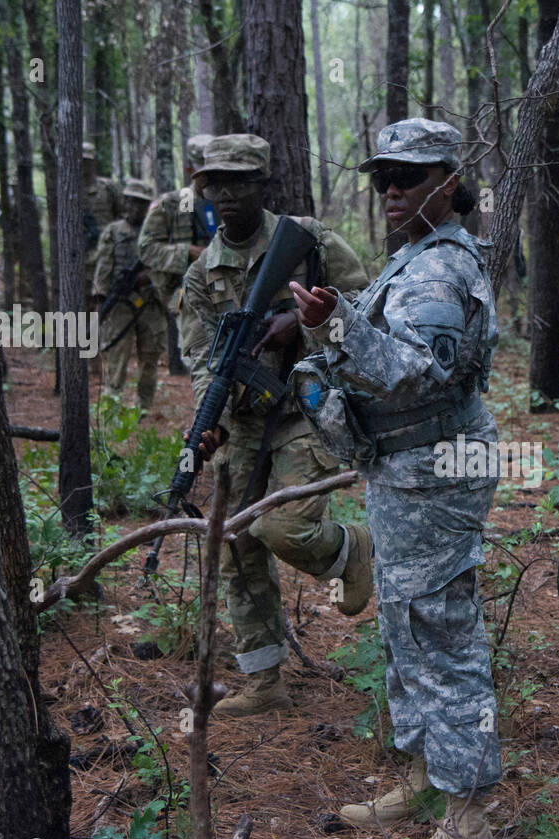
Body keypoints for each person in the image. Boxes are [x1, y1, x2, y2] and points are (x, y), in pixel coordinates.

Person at [289, 117, 500, 839]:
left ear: (448, 183)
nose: (390, 190)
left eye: (407, 177)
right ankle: (420, 777)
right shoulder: (413, 258)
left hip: (433, 469)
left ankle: (468, 816)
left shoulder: (442, 269)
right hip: (404, 467)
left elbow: (417, 373)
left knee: (439, 631)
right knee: (406, 626)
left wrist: (335, 323)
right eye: (382, 177)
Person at [180, 133, 373, 718]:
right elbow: (198, 359)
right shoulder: (200, 275)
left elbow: (365, 305)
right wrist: (205, 420)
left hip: (306, 411)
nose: (229, 195)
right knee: (236, 545)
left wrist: (303, 321)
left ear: (263, 186)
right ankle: (264, 680)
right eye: (217, 184)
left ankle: (350, 549)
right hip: (241, 424)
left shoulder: (307, 241)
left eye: (242, 183)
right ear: (204, 191)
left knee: (281, 529)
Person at [138, 133, 217, 367]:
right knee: (204, 365)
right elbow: (147, 249)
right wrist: (188, 252)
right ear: (189, 169)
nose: (212, 179)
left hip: (233, 293)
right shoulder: (173, 204)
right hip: (188, 295)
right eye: (205, 174)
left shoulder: (231, 200)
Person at [93, 178, 168, 409]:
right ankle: (111, 405)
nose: (133, 207)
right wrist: (100, 299)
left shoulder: (159, 233)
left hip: (151, 303)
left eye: (140, 202)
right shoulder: (113, 231)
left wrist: (149, 278)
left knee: (149, 357)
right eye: (130, 201)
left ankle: (143, 407)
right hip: (121, 305)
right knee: (116, 356)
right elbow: (104, 267)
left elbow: (168, 266)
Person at [82, 141, 122, 306]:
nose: (84, 164)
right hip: (80, 256)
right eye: (82, 160)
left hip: (105, 255)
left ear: (94, 162)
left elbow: (121, 218)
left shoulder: (108, 188)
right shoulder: (68, 189)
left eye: (88, 161)